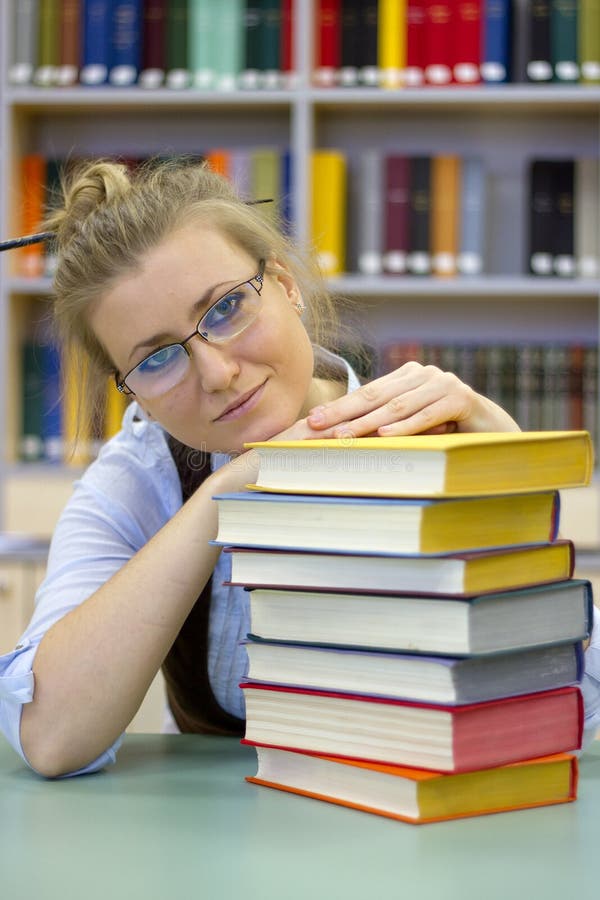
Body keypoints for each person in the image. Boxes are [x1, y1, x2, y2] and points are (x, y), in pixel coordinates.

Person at [0, 159, 598, 779]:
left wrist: (509, 497)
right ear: (131, 392)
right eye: (156, 360)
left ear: (285, 285)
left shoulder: (432, 440)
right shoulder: (140, 476)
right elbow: (51, 737)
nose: (217, 374)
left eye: (228, 307)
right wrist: (229, 487)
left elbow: (576, 706)